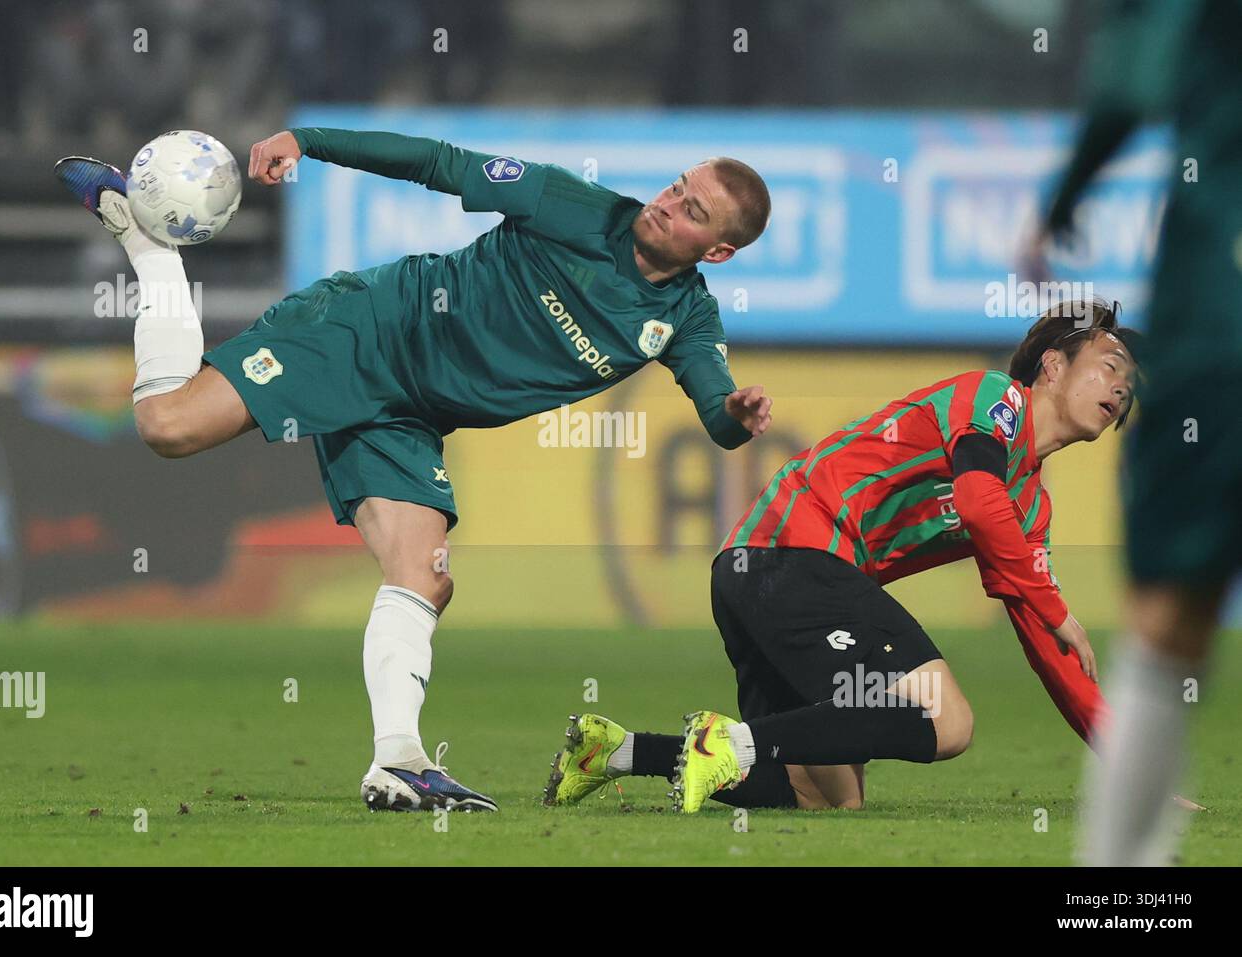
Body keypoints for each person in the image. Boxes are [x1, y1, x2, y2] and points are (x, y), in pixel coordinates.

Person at [55, 128, 773, 813]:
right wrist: (309, 142)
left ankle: (397, 759)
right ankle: (147, 244)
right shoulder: (570, 205)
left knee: (425, 577)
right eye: (678, 186)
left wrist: (736, 414)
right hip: (367, 328)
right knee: (168, 426)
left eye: (691, 210)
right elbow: (439, 162)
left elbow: (717, 410)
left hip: (410, 414)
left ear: (717, 252)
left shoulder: (686, 320)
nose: (667, 202)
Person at [545, 301, 1137, 813]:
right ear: (1052, 366)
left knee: (819, 792)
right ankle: (728, 743)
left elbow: (1052, 648)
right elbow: (979, 502)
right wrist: (1057, 606)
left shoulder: (1029, 506)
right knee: (948, 721)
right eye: (1109, 367)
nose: (1120, 387)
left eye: (1127, 384)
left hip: (759, 574)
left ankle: (615, 752)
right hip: (794, 553)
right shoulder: (994, 398)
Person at [1028, 0, 1242, 865]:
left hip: (1218, 328)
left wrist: (1062, 200)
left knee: (1167, 624)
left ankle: (1121, 893)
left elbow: (1127, 85)